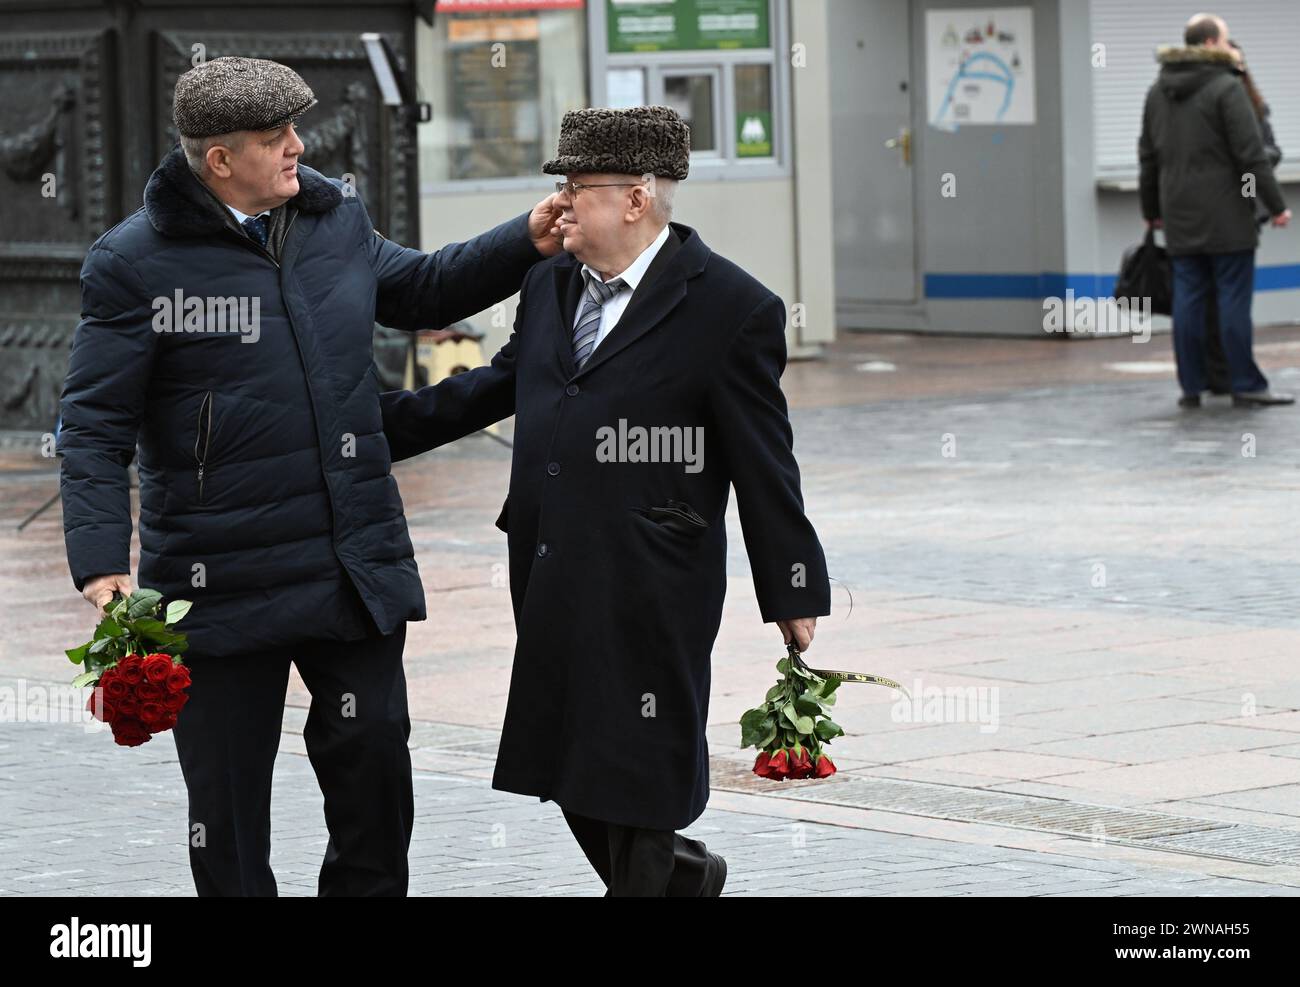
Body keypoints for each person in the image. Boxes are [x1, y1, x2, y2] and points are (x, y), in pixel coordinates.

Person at [58, 55, 562, 896]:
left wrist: (527, 239)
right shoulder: (134, 264)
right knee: (224, 812)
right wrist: (104, 565)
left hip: (348, 566)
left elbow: (424, 286)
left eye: (296, 127)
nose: (300, 146)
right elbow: (93, 427)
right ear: (219, 159)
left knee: (374, 779)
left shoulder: (334, 219)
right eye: (274, 137)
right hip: (216, 586)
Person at [380, 105, 831, 896]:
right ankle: (685, 877)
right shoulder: (549, 282)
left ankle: (665, 878)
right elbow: (500, 382)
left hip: (655, 574)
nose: (559, 205)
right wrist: (370, 432)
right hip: (551, 561)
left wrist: (791, 585)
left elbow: (766, 460)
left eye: (578, 188)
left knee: (641, 765)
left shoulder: (732, 309)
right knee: (569, 758)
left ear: (636, 198)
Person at [1138, 12, 1292, 408]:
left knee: (1188, 299)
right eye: (1224, 40)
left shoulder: (1158, 91)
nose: (1228, 46)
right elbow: (1251, 156)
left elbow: (1148, 157)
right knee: (1232, 299)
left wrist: (1151, 209)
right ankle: (1245, 383)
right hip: (1227, 216)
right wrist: (1276, 206)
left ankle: (1192, 385)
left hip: (1180, 217)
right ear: (1209, 44)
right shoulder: (1226, 88)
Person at [1202, 39, 1284, 394]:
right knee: (1218, 297)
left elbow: (1267, 152)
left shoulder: (1253, 104)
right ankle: (1223, 374)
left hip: (1239, 204)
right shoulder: (1207, 101)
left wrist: (1254, 190)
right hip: (1215, 210)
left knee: (1223, 297)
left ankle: (1219, 375)